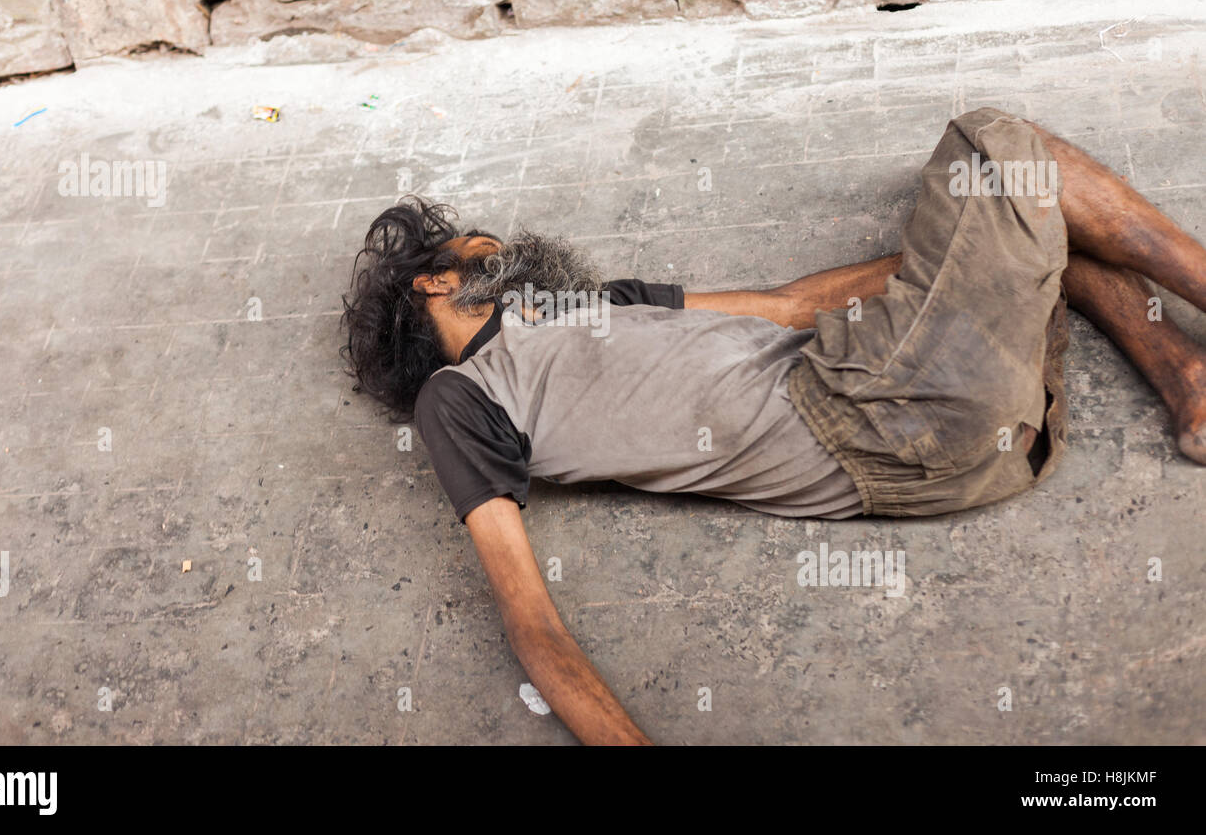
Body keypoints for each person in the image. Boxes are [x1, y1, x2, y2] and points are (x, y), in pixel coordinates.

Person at [340, 108, 1206, 744]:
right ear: (435, 282)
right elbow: (532, 622)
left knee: (1041, 218)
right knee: (999, 144)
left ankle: (1188, 379)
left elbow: (789, 304)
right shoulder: (459, 397)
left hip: (966, 419)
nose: (499, 238)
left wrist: (955, 261)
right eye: (476, 242)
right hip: (873, 416)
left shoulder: (604, 302)